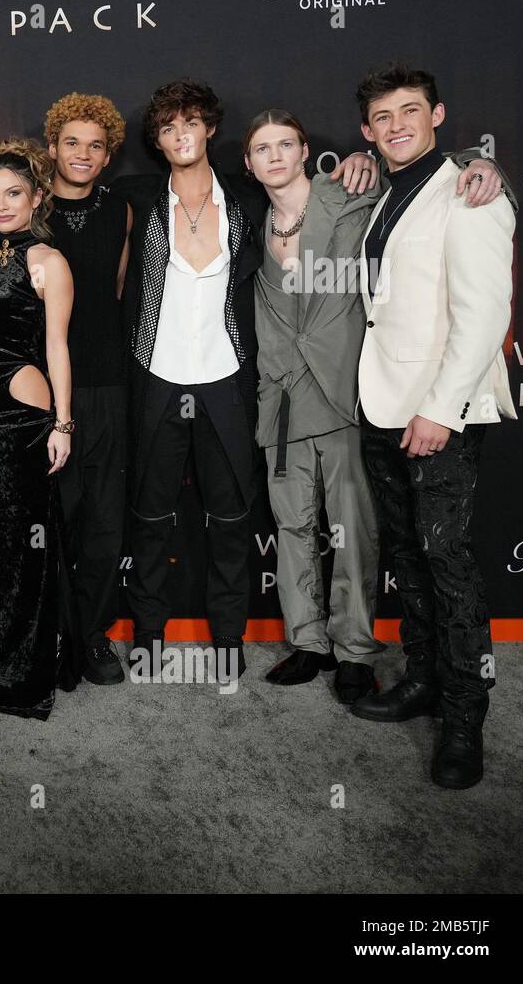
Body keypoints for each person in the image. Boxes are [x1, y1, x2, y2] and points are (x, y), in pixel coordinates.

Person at [113, 80, 380, 682]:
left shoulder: (248, 199)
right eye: (167, 127)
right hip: (155, 379)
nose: (180, 135)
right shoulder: (135, 197)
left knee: (232, 521)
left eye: (191, 123)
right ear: (156, 140)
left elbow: (343, 200)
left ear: (210, 128)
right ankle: (150, 638)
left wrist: (366, 160)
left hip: (230, 380)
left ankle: (228, 639)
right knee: (151, 519)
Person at [244, 109, 505, 704]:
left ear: (306, 150)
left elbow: (425, 181)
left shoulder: (352, 193)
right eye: (263, 148)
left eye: (286, 144)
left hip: (342, 395)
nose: (276, 156)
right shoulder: (247, 218)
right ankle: (307, 642)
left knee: (352, 532)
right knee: (291, 528)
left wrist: (480, 163)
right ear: (250, 162)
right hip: (279, 401)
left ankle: (354, 648)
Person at [351, 63, 516, 789]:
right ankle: (421, 680)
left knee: (448, 565)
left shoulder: (473, 191)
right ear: (366, 131)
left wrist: (440, 410)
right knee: (408, 557)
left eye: (409, 112)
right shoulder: (387, 189)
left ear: (438, 115)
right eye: (382, 118)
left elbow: (484, 316)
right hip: (383, 406)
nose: (396, 126)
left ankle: (463, 720)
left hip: (439, 414)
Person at [0, 138, 77, 720]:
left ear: (37, 197)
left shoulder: (47, 261)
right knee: (4, 545)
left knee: (23, 547)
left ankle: (19, 676)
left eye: (13, 194)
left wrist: (62, 423)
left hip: (24, 418)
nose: (2, 205)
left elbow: (57, 346)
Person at [43, 93, 131, 686]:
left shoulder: (122, 209)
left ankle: (93, 634)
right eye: (71, 142)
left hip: (108, 383)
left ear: (106, 158)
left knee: (103, 520)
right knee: (54, 517)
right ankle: (51, 633)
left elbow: (118, 290)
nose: (82, 153)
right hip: (44, 390)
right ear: (51, 148)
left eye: (95, 146)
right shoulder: (27, 209)